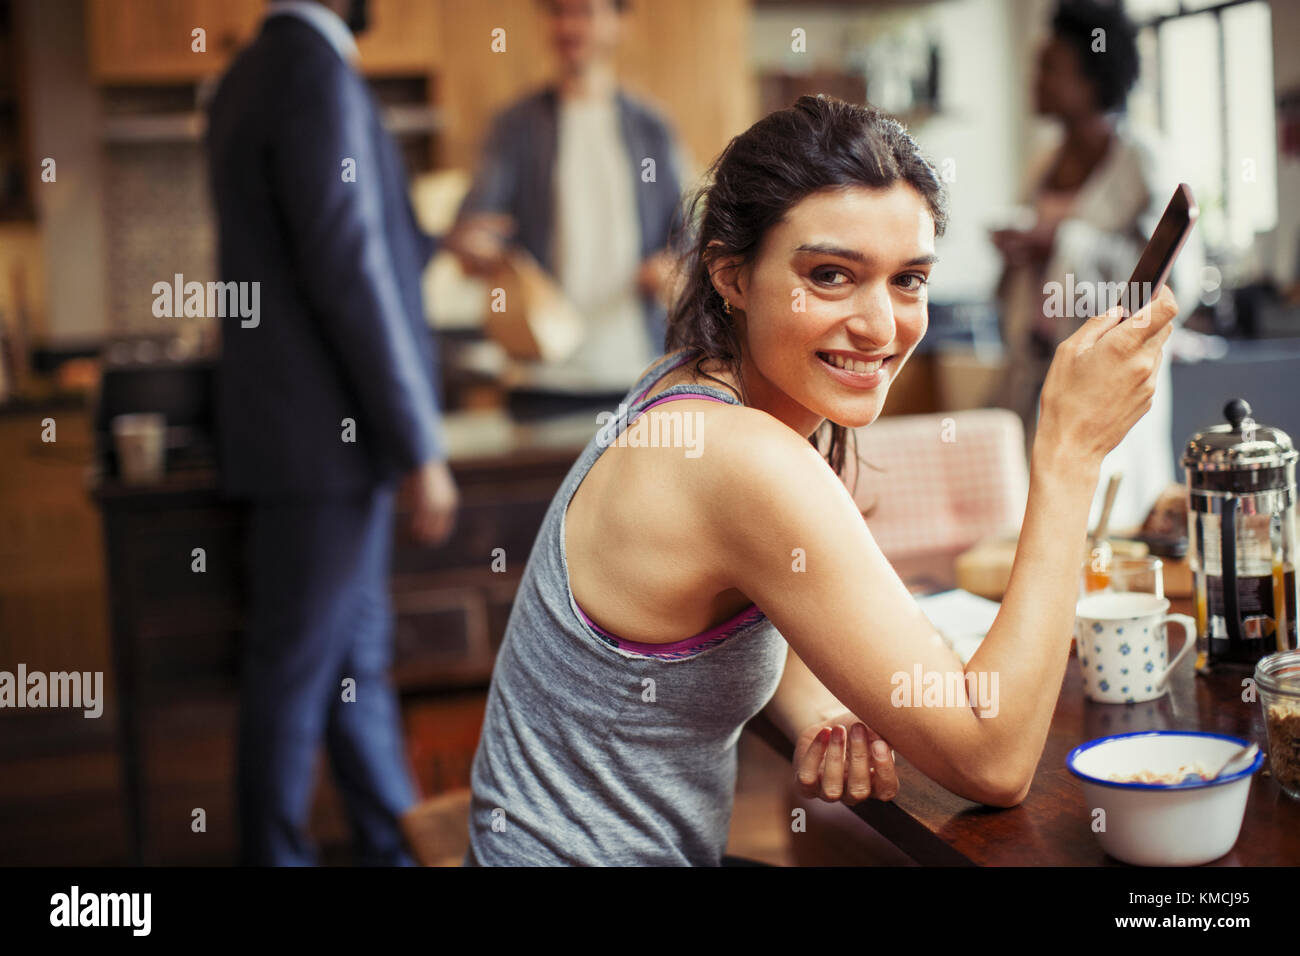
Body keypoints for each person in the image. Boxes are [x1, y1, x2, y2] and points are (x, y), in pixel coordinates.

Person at [463, 94, 1178, 866]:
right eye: (831, 275)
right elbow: (994, 758)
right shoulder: (739, 457)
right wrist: (1070, 453)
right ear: (731, 275)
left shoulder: (689, 382)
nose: (880, 326)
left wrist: (826, 711)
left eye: (908, 280)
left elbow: (768, 600)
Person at [206, 0, 458, 865]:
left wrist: (436, 240)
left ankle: (396, 847)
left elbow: (350, 241)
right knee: (295, 674)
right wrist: (419, 443)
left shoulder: (248, 73)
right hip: (326, 447)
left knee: (353, 668)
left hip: (306, 441)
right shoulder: (313, 73)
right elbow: (348, 266)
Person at [990, 0, 1203, 532]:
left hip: (1109, 368)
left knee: (1112, 515)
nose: (1035, 79)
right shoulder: (1045, 161)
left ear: (1091, 77)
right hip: (1038, 365)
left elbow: (1176, 278)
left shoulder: (1142, 160)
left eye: (1050, 66)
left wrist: (1061, 241)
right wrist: (1023, 251)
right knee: (1041, 512)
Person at [443, 0, 689, 388]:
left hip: (638, 367)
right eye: (559, 11)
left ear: (618, 23)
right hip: (541, 370)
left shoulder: (652, 129)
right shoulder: (515, 128)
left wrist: (670, 270)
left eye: (585, 12)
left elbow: (688, 241)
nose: (569, 26)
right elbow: (473, 230)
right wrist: (475, 247)